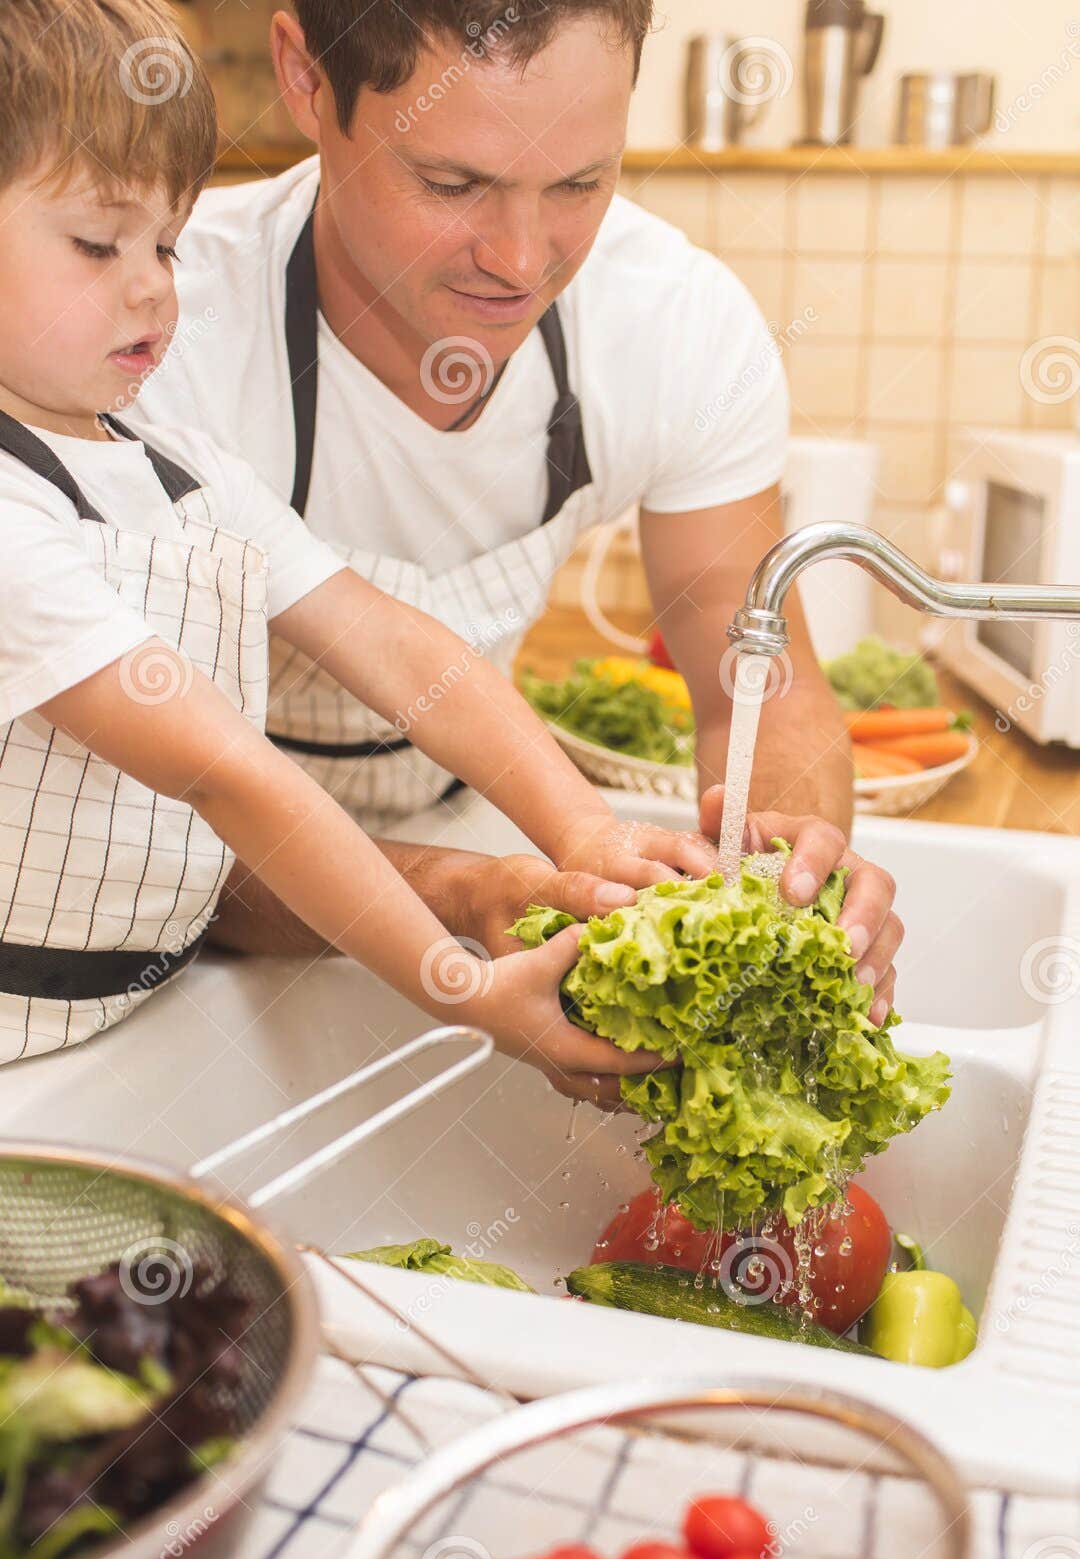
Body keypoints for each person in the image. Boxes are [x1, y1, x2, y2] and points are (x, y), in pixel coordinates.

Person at [133, 0, 905, 1024]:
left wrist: (792, 884)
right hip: (169, 936)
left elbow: (753, 687)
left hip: (471, 890)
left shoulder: (673, 323)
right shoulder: (148, 332)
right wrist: (458, 892)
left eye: (581, 183)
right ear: (306, 77)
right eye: (452, 185)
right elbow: (131, 828)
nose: (522, 258)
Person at [0, 0, 713, 1098]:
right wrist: (461, 990)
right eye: (98, 244)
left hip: (131, 1013)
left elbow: (385, 640)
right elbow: (231, 776)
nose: (150, 284)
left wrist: (590, 832)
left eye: (166, 243)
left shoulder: (178, 460)